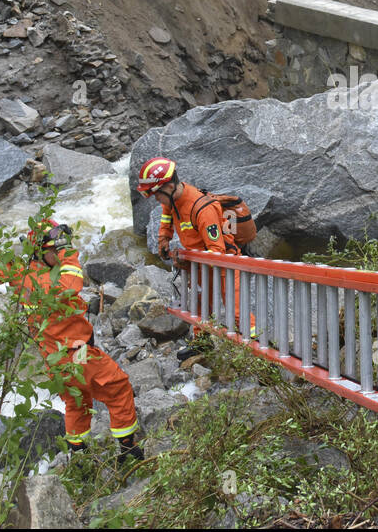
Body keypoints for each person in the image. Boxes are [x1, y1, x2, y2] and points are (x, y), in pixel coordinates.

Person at [16, 219, 143, 464]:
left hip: (54, 358)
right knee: (118, 387)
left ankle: (79, 455)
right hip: (75, 353)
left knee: (77, 402)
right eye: (56, 250)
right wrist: (67, 253)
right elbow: (73, 283)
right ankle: (128, 450)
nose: (61, 254)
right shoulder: (49, 280)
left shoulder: (29, 277)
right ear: (41, 253)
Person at [136, 156, 237, 359]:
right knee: (199, 303)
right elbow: (166, 214)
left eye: (156, 194)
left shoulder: (202, 209)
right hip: (200, 264)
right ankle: (202, 343)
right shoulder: (172, 200)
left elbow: (217, 253)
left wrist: (187, 259)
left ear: (169, 186)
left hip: (225, 265)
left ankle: (263, 357)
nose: (156, 199)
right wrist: (164, 237)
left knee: (237, 311)